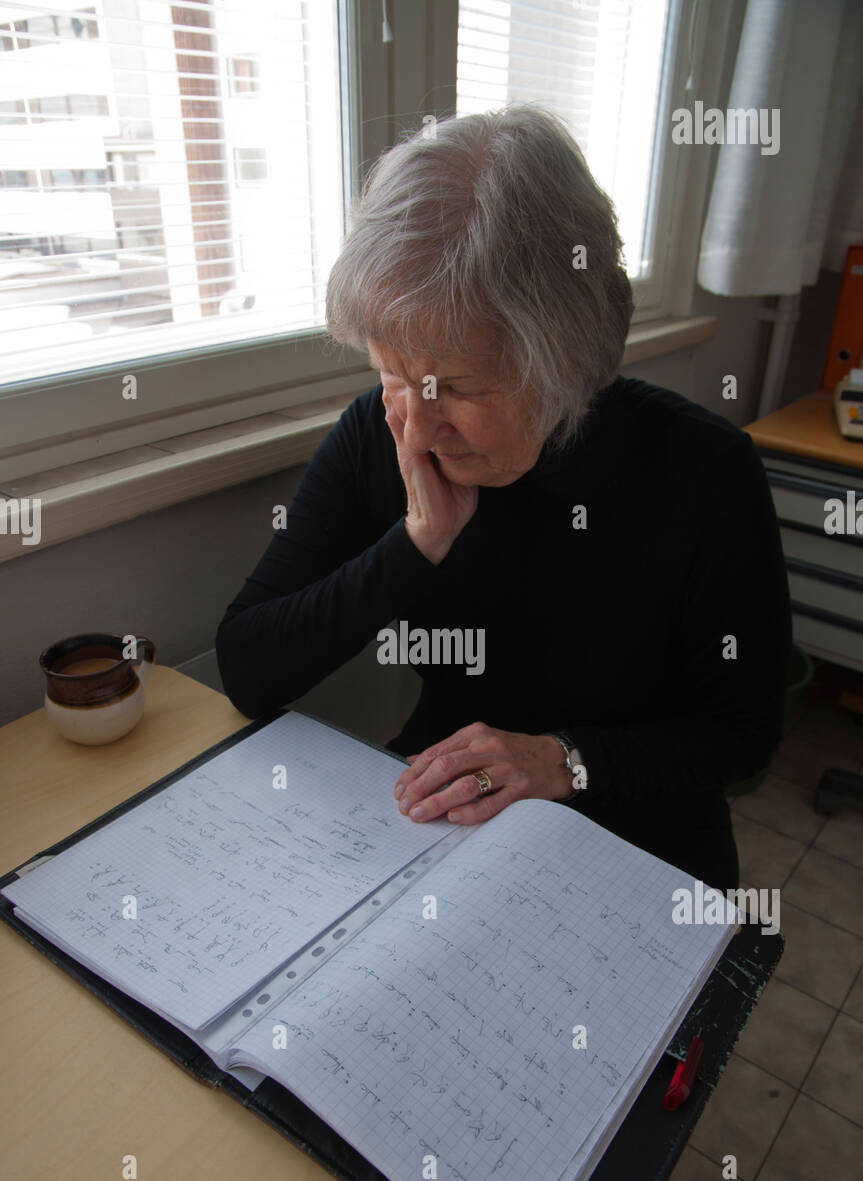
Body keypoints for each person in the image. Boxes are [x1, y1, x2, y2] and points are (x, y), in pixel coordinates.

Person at [216, 105, 791, 893]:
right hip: (447, 822)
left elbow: (744, 733)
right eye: (390, 374)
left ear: (564, 359)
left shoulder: (703, 471)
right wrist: (414, 543)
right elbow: (249, 666)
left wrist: (564, 760)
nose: (415, 424)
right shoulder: (378, 434)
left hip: (636, 833)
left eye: (454, 387)